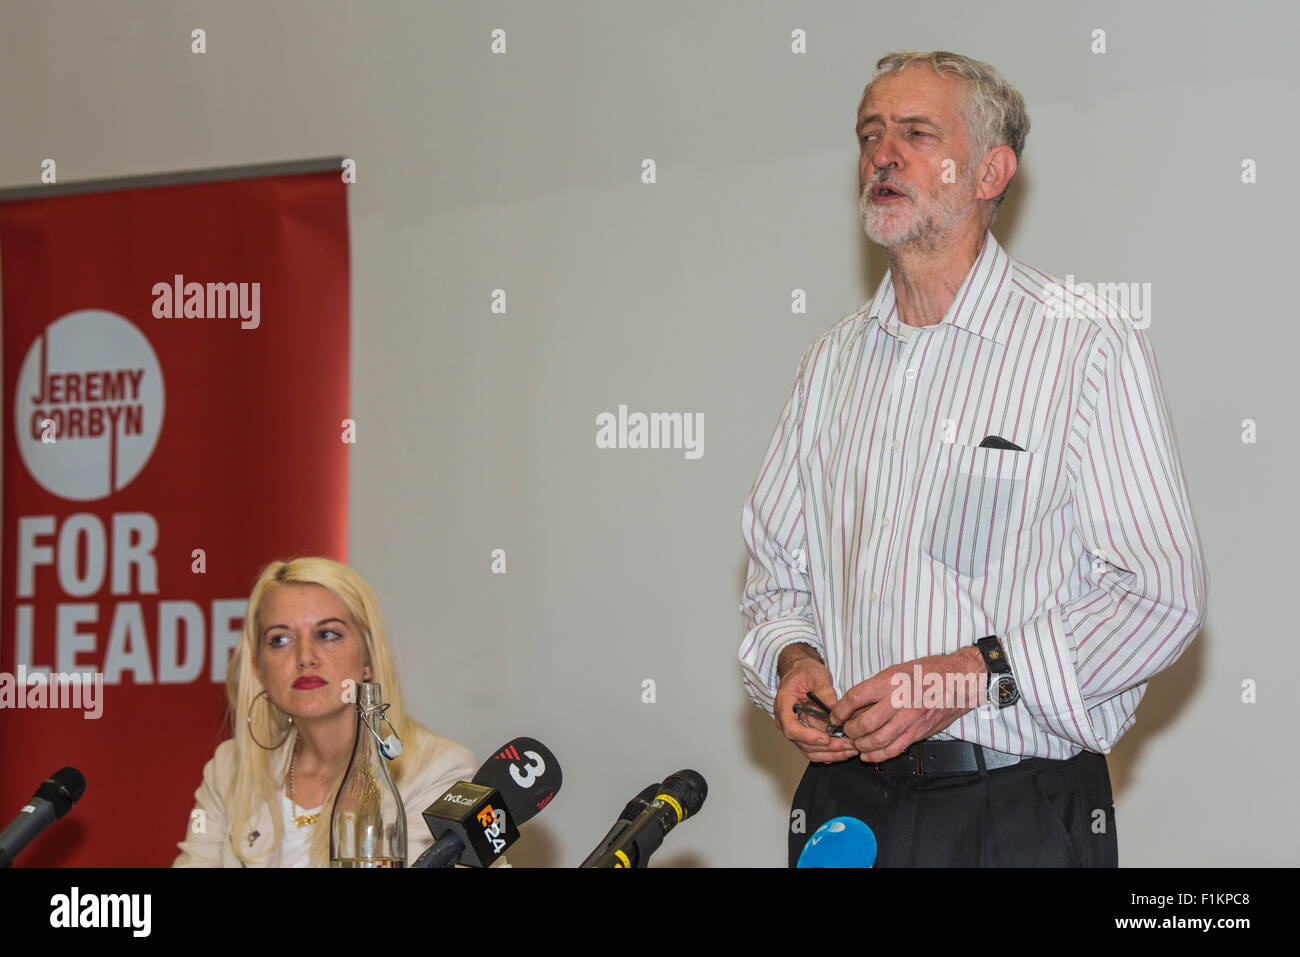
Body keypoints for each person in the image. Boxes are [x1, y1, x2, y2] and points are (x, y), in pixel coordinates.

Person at [739, 50, 1208, 867]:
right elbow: (777, 576)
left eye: (916, 133)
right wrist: (794, 658)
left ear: (991, 170)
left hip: (1013, 809)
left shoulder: (1086, 346)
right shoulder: (831, 363)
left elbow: (1157, 597)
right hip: (843, 810)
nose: (882, 154)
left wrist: (970, 673)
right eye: (869, 134)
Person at [173, 557, 479, 867]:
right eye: (280, 640)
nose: (305, 657)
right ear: (258, 668)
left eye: (327, 634)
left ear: (369, 657)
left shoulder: (440, 771)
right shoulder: (229, 769)